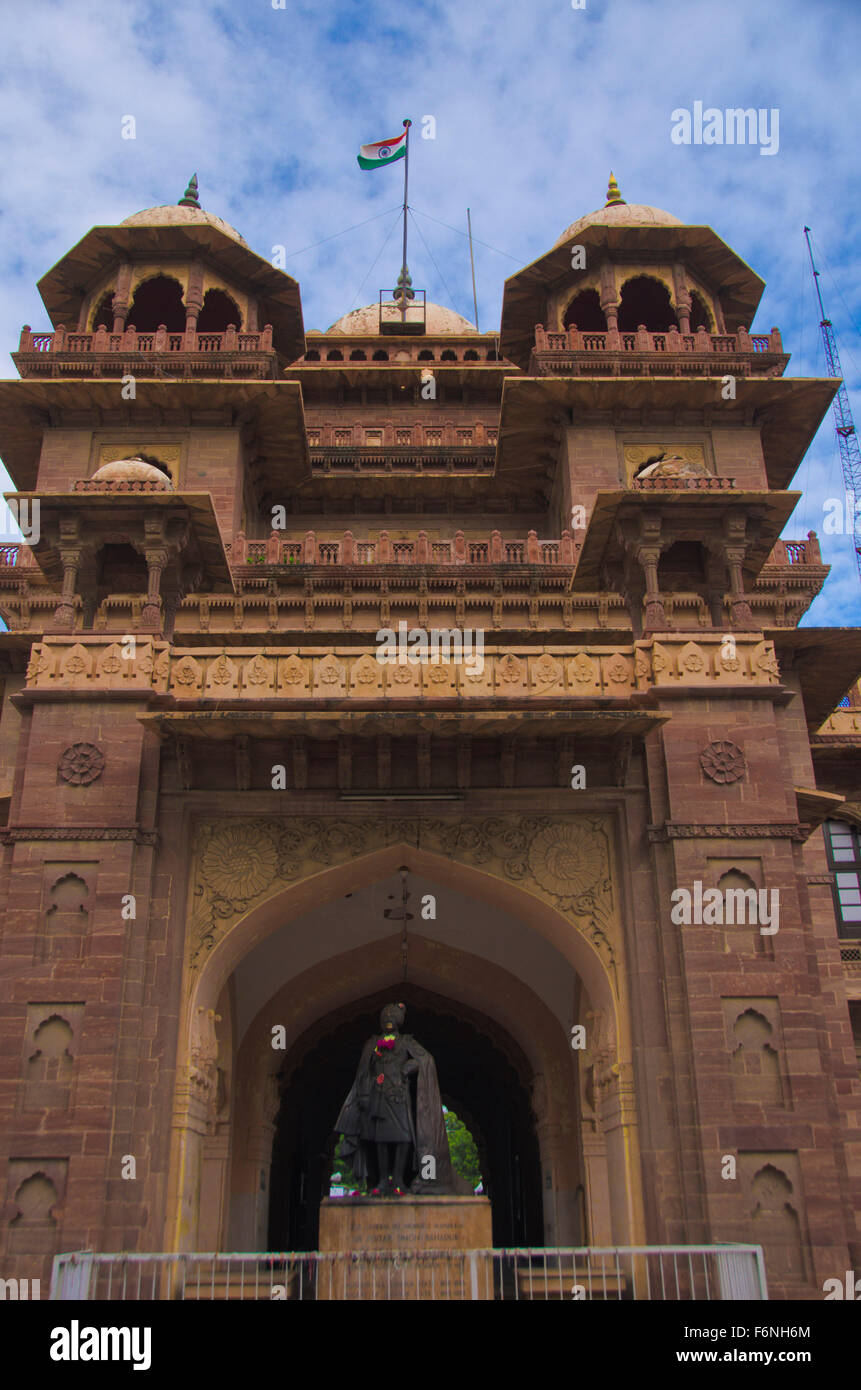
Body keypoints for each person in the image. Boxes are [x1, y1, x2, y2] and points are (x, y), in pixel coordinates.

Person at [334, 1002, 464, 1196]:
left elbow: (426, 1059)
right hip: (378, 1097)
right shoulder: (373, 1043)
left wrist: (411, 1066)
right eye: (385, 1015)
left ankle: (399, 1180)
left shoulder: (406, 1042)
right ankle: (382, 1180)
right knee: (380, 1139)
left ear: (399, 1020)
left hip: (399, 1097)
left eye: (392, 1015)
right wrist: (364, 1094)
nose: (389, 1018)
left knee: (404, 1137)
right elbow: (364, 1071)